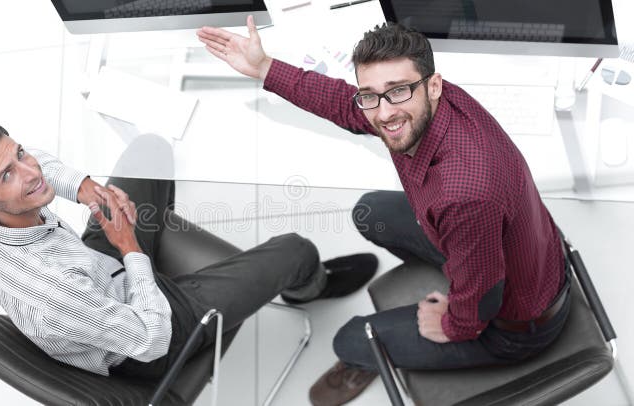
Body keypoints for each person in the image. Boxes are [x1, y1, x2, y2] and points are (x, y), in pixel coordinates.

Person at [198, 18, 570, 406]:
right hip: (515, 247)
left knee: (350, 340)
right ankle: (454, 268)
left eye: (397, 92)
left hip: (516, 322)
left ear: (433, 85)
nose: (384, 113)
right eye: (370, 95)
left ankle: (402, 338)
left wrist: (453, 323)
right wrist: (264, 67)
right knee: (369, 211)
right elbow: (346, 104)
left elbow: (485, 297)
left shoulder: (463, 193)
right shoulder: (426, 102)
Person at [0, 125, 378, 380]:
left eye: (20, 154)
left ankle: (149, 238)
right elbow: (150, 341)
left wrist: (86, 187)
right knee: (297, 250)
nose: (31, 171)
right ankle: (307, 288)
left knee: (149, 150)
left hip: (97, 273)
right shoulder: (50, 292)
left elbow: (39, 166)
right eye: (9, 174)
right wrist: (131, 248)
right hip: (147, 334)